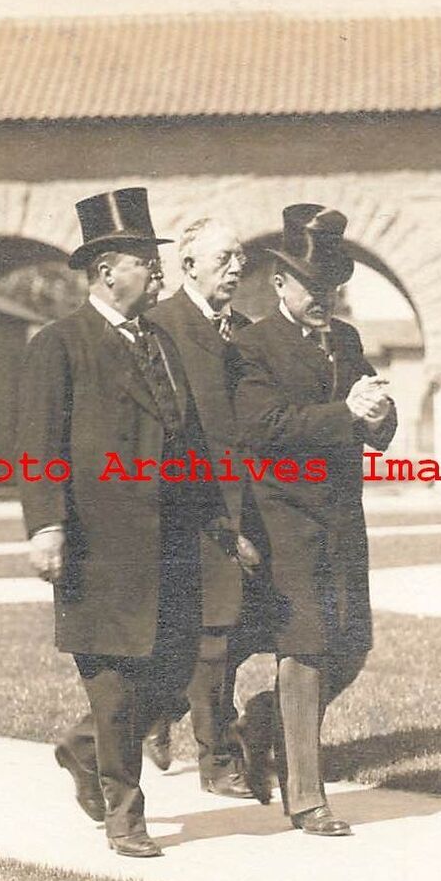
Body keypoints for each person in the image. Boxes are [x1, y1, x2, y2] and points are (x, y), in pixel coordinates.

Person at [17, 187, 225, 858]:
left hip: (168, 541)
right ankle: (124, 815)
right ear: (107, 270)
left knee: (174, 670)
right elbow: (39, 444)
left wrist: (219, 522)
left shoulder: (160, 340)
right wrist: (46, 526)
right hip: (98, 547)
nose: (156, 271)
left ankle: (83, 751)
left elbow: (186, 434)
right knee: (113, 683)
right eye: (144, 259)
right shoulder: (60, 344)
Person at [229, 203, 397, 837]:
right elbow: (263, 429)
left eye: (332, 288)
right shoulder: (252, 347)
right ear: (279, 284)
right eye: (312, 287)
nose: (325, 298)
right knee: (305, 649)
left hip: (341, 520)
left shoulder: (346, 341)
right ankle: (306, 799)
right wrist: (346, 416)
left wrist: (379, 418)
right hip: (285, 518)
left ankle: (262, 723)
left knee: (351, 646)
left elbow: (368, 418)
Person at [142, 218, 265, 799]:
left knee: (230, 634)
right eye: (224, 257)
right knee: (206, 636)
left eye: (240, 256)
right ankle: (216, 758)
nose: (236, 267)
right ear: (189, 266)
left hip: (246, 503)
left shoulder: (243, 331)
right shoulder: (159, 326)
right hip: (188, 507)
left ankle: (168, 710)